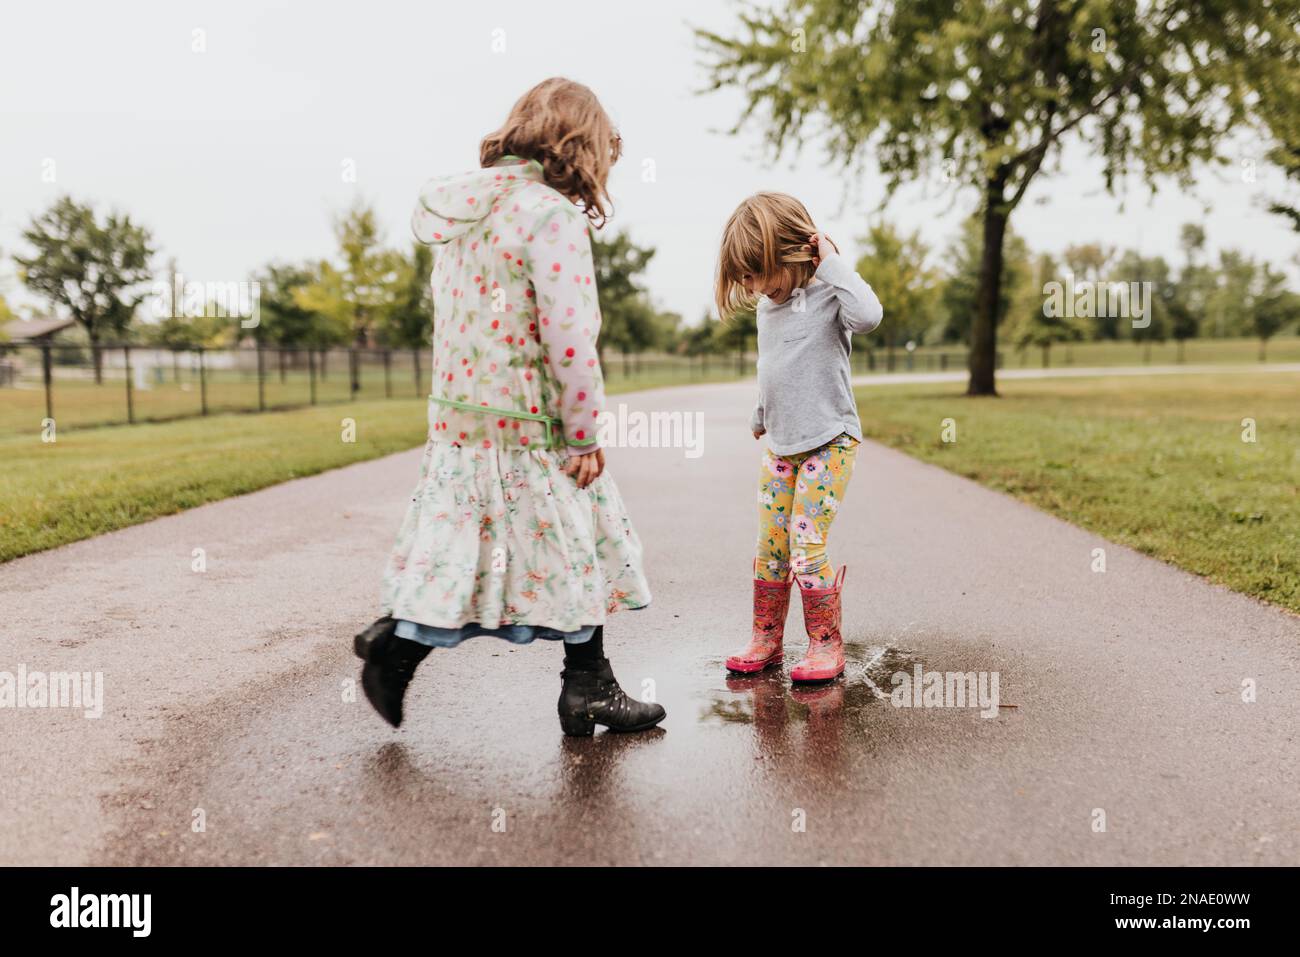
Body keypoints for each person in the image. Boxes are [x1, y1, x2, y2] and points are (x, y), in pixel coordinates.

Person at [355, 78, 665, 736]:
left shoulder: (469, 214)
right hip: (532, 424)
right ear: (581, 146)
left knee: (467, 555)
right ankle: (587, 688)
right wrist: (583, 434)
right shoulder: (549, 217)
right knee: (575, 548)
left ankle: (401, 644)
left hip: (463, 424)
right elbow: (569, 336)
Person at [715, 192, 883, 682]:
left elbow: (870, 316)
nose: (751, 285)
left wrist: (831, 262)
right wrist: (761, 411)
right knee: (772, 545)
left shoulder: (831, 294)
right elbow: (775, 366)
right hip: (782, 444)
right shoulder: (768, 308)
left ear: (791, 254)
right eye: (742, 276)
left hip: (830, 440)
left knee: (806, 543)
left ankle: (825, 643)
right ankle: (766, 637)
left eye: (757, 272)